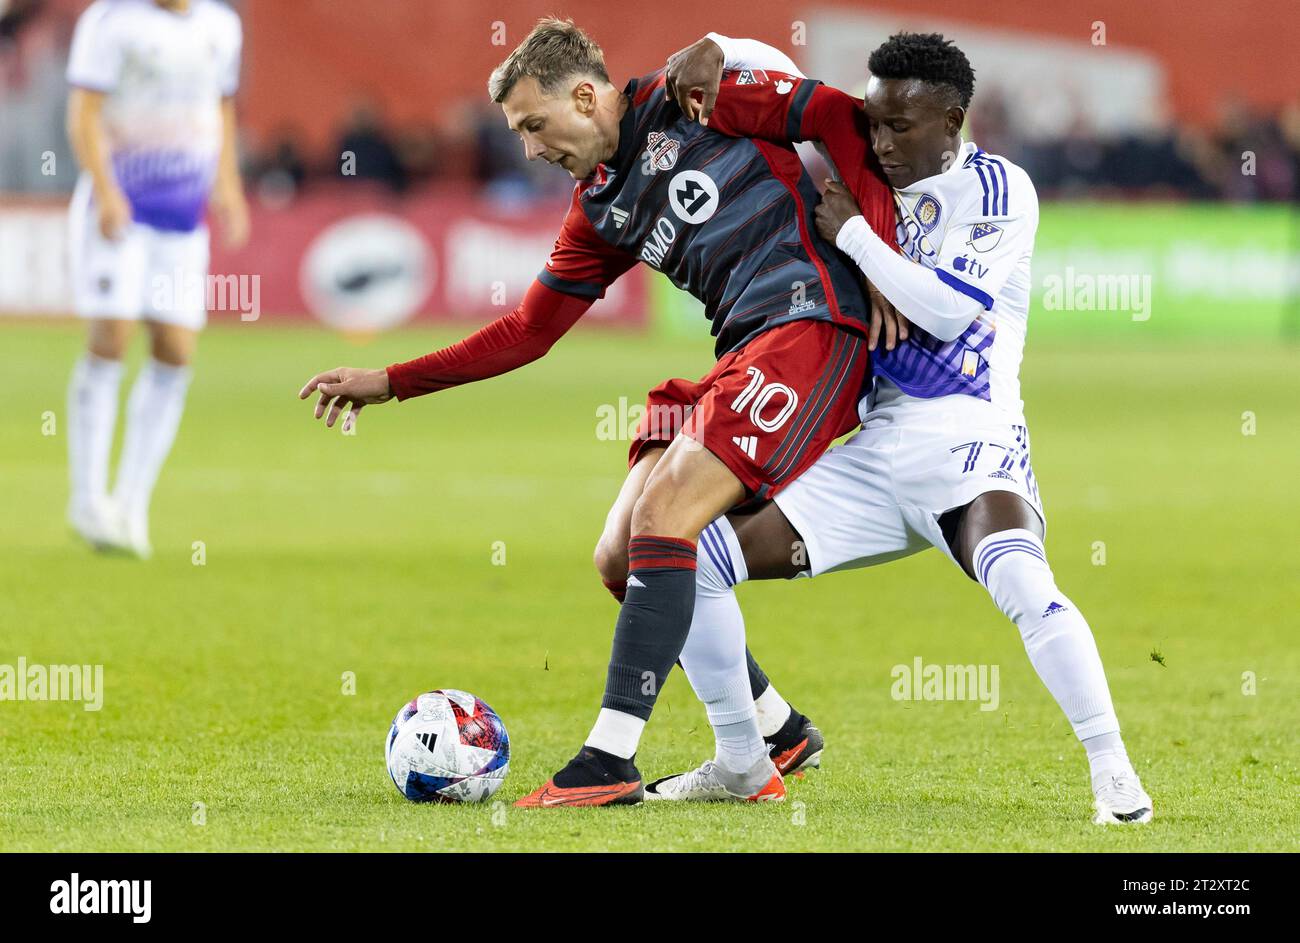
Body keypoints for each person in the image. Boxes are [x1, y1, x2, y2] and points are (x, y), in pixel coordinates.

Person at [298, 17, 902, 807]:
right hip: (741, 354)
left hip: (812, 328)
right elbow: (527, 331)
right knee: (620, 555)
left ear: (585, 97)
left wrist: (876, 251)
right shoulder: (599, 207)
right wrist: (391, 379)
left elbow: (834, 113)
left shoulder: (694, 95)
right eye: (518, 133)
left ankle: (611, 756)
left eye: (534, 125)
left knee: (664, 517)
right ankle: (775, 726)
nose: (529, 149)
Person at [647, 32, 1153, 824]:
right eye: (874, 124)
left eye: (901, 127)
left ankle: (1114, 773)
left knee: (1025, 584)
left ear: (952, 119)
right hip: (873, 457)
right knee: (681, 554)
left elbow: (949, 311)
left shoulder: (997, 188)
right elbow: (784, 78)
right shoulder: (865, 167)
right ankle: (742, 757)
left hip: (969, 442)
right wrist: (720, 45)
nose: (880, 142)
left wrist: (851, 234)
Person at [65, 0, 248, 558]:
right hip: (119, 208)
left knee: (174, 351)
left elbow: (220, 108)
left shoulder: (223, 26)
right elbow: (84, 112)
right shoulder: (111, 20)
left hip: (182, 218)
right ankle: (88, 498)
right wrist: (106, 189)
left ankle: (131, 502)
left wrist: (229, 186)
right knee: (112, 339)